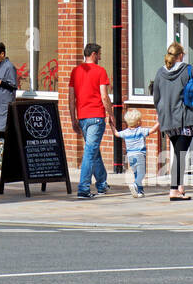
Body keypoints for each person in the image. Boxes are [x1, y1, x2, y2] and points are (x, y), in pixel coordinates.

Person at [152, 41, 193, 201]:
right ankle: (173, 189)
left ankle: (180, 186)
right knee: (180, 154)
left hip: (168, 120)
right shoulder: (188, 70)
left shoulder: (160, 72)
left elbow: (156, 98)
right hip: (185, 118)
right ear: (181, 55)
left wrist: (161, 113)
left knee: (178, 152)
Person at [67, 42, 114, 199]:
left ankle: (101, 184)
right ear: (93, 54)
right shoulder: (100, 71)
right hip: (96, 117)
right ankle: (83, 188)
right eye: (99, 54)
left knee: (93, 151)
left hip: (83, 117)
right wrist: (112, 114)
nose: (100, 57)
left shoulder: (75, 71)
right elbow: (104, 96)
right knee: (90, 152)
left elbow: (71, 97)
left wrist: (73, 119)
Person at [115, 112, 156, 197]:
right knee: (142, 173)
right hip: (140, 155)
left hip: (130, 156)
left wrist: (111, 125)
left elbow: (116, 134)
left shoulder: (125, 132)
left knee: (137, 173)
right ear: (138, 122)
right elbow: (153, 130)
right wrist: (159, 122)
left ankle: (140, 191)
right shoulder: (141, 130)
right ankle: (135, 185)